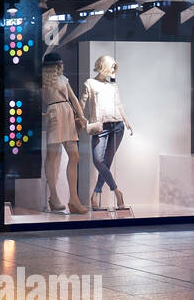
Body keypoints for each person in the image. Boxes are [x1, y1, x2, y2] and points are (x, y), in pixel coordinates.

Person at [81, 55, 133, 211]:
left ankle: (96, 193)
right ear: (102, 66)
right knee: (98, 161)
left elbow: (118, 105)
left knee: (107, 162)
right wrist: (81, 120)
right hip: (100, 126)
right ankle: (117, 191)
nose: (113, 70)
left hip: (117, 126)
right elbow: (81, 103)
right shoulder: (90, 83)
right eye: (111, 66)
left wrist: (127, 121)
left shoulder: (113, 86)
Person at [41, 52, 89, 214]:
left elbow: (74, 98)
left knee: (74, 156)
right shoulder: (43, 81)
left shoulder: (63, 79)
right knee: (52, 156)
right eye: (58, 64)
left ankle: (73, 199)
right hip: (54, 114)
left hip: (67, 113)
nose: (61, 66)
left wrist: (81, 116)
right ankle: (54, 197)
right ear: (53, 66)